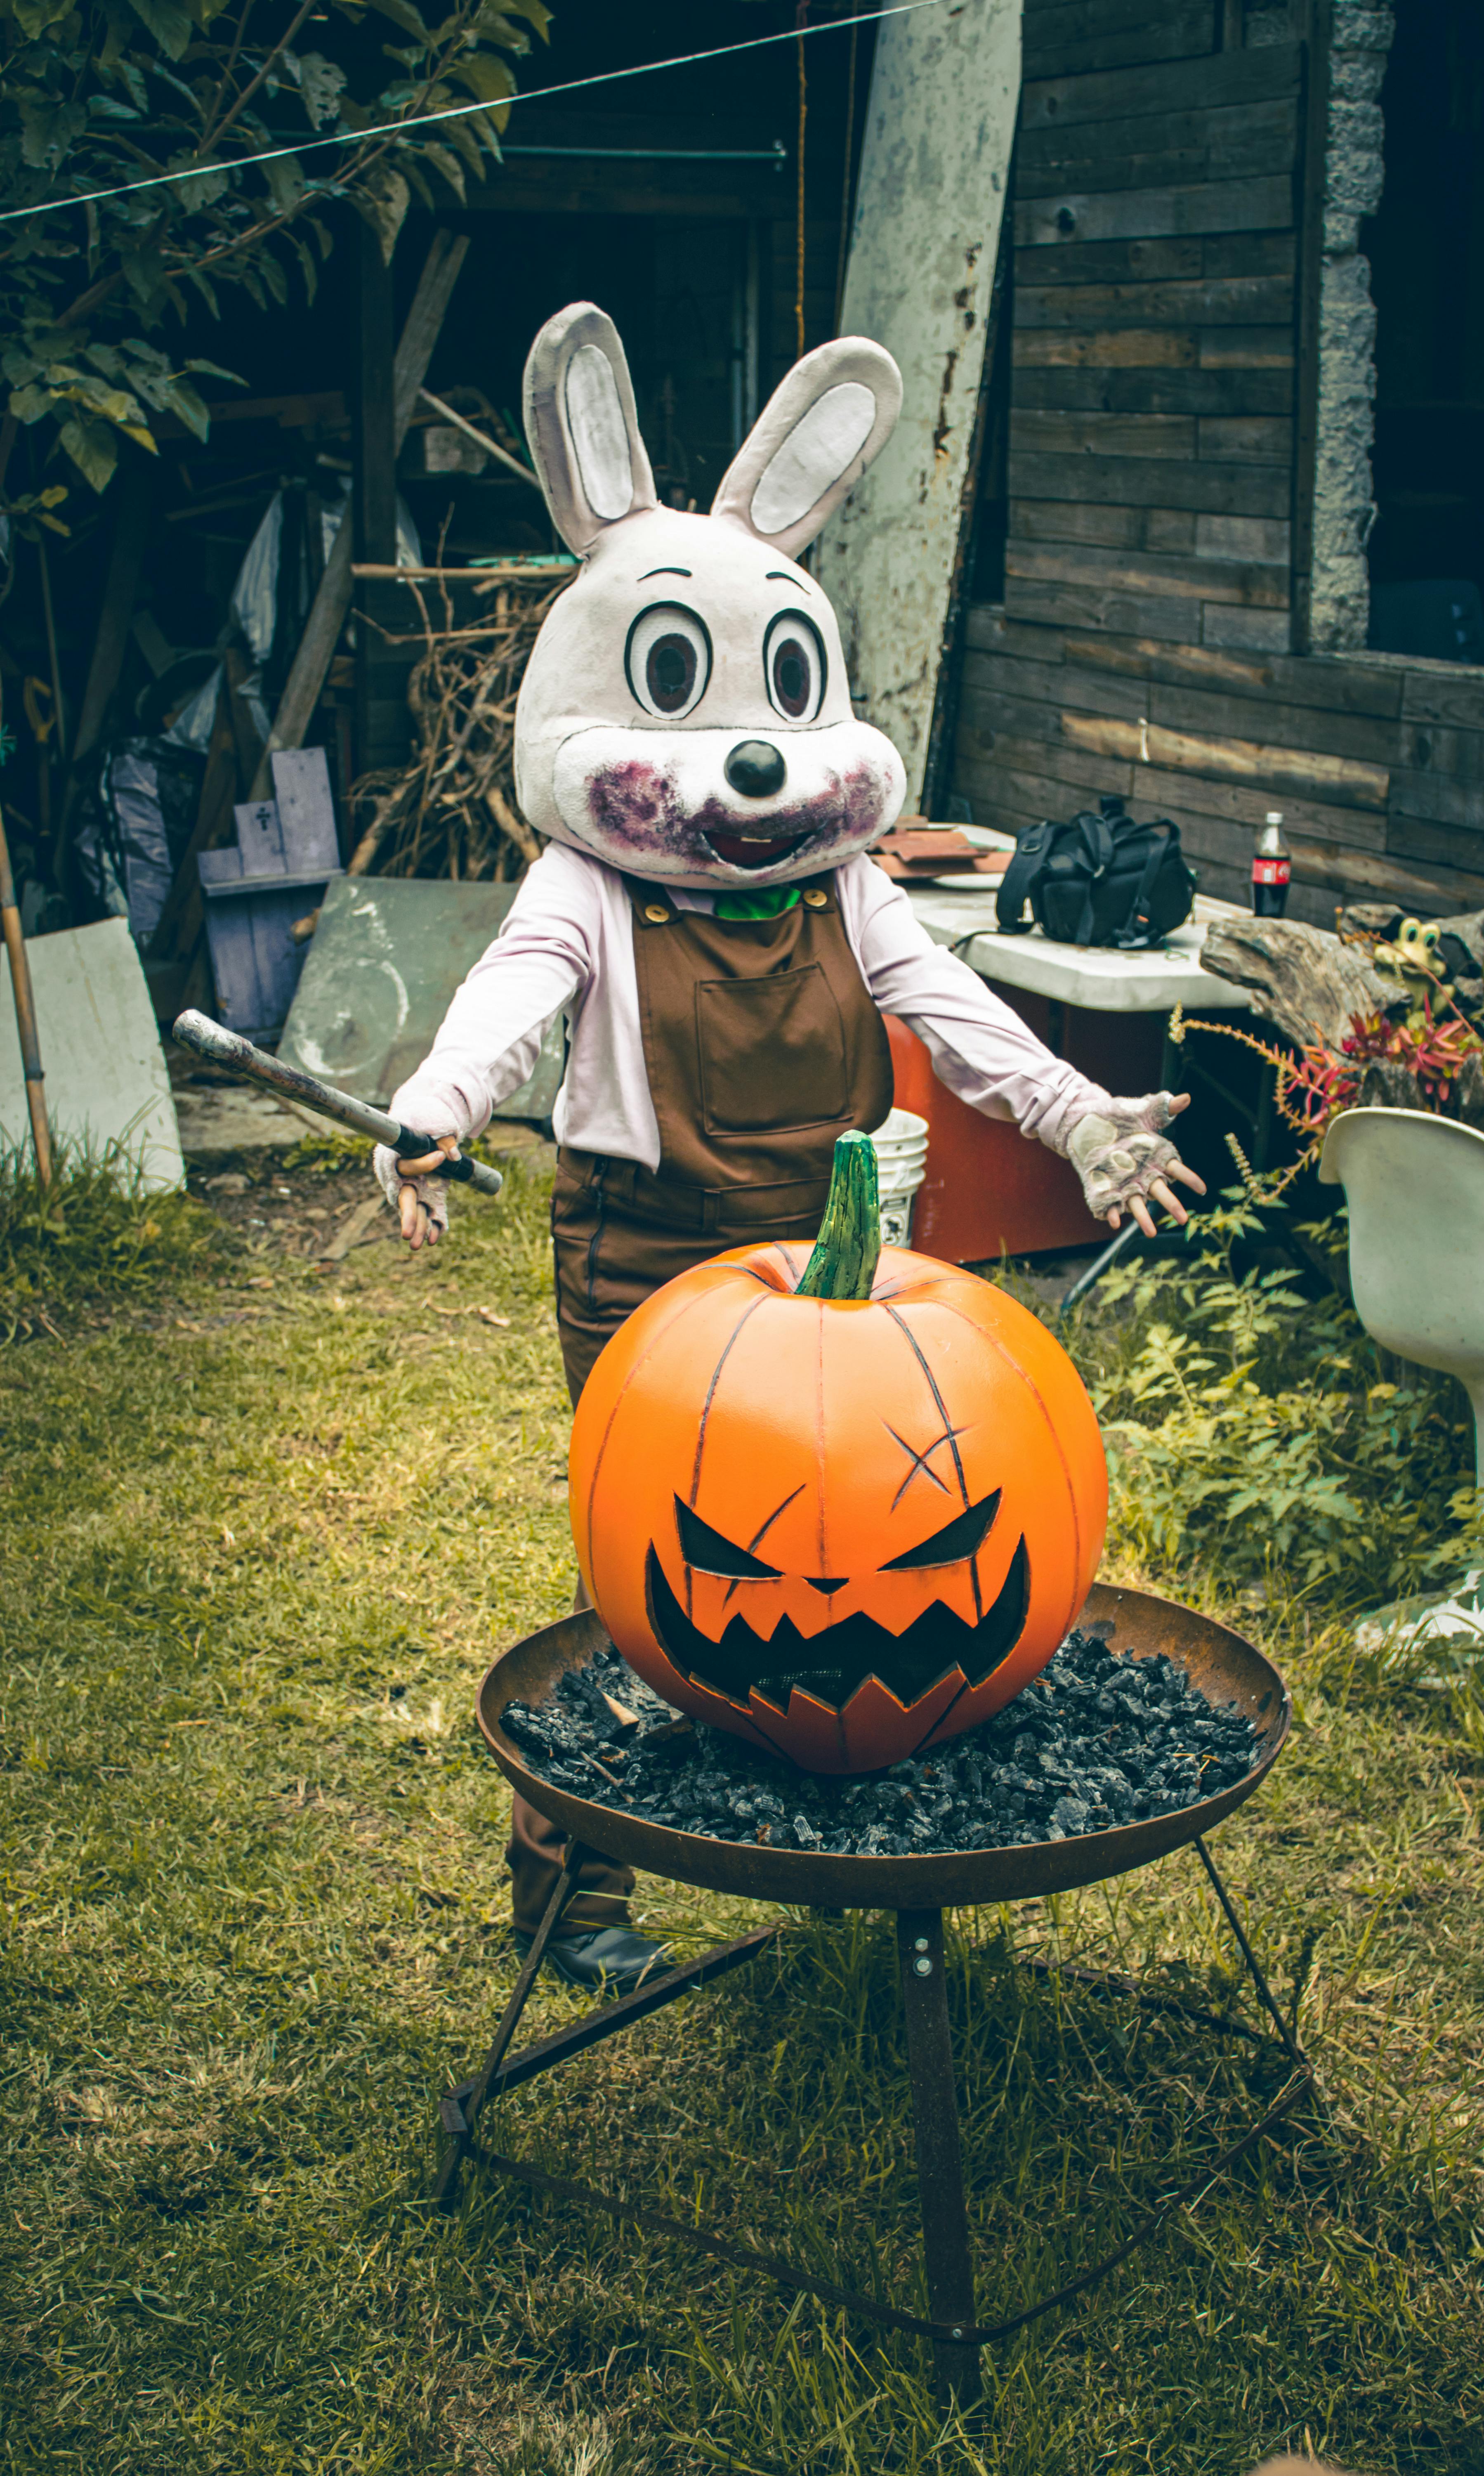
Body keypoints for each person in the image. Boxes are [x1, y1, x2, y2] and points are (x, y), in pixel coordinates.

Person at [373, 300, 1206, 1996]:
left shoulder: (843, 882)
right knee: (658, 1581)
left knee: (860, 1554)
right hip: (647, 1269)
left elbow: (951, 1009)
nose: (744, 752)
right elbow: (508, 1001)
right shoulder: (591, 884)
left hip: (833, 1278)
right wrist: (438, 1108)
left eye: (777, 691)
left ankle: (839, 1819)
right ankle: (577, 1895)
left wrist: (1078, 1117)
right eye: (679, 686)